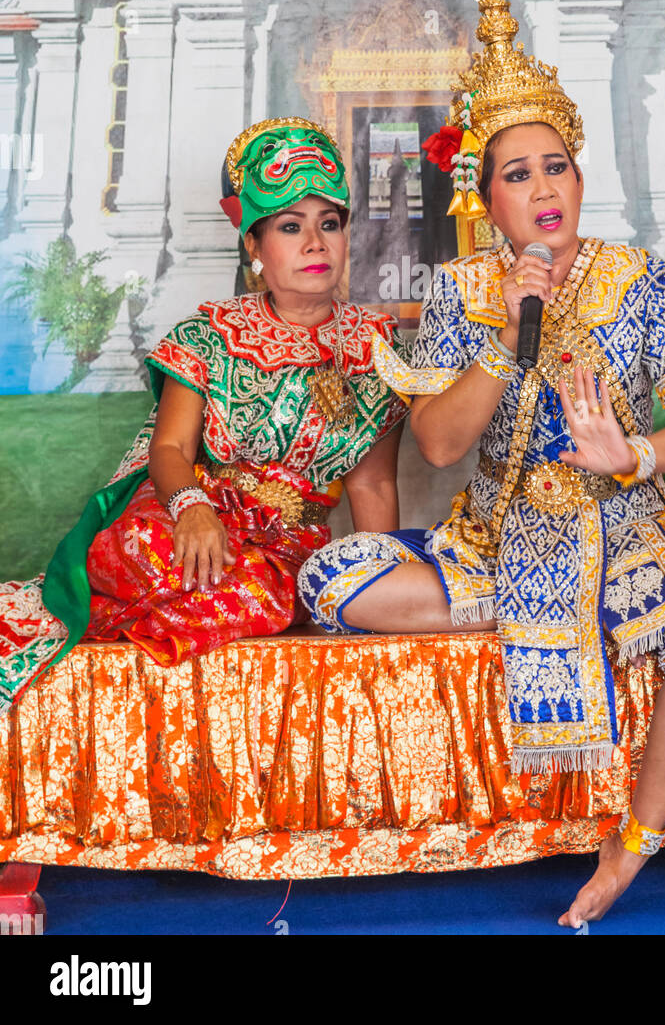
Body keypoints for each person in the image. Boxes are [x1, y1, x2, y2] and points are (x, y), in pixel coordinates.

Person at [298, 0, 665, 929]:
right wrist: (508, 338)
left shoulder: (639, 278)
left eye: (557, 166)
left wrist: (634, 455)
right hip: (494, 543)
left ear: (577, 176)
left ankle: (631, 843)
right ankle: (547, 608)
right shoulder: (461, 291)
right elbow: (437, 441)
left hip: (626, 540)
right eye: (517, 174)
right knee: (332, 576)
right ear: (486, 196)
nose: (544, 188)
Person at [1, 118, 406, 703]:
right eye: (291, 226)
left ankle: (143, 620)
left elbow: (373, 484)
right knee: (143, 547)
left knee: (265, 592)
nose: (316, 243)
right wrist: (192, 509)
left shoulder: (375, 347)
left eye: (329, 224)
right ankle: (144, 614)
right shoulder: (210, 334)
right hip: (197, 516)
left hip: (286, 548)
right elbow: (170, 449)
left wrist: (380, 591)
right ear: (254, 246)